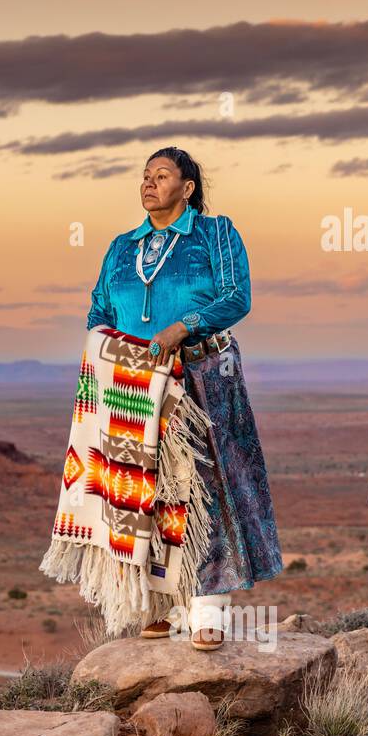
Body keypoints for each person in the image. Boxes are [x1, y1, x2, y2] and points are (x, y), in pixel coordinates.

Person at [86, 146, 283, 650]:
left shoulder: (215, 235)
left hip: (203, 376)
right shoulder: (121, 248)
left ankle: (206, 610)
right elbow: (99, 310)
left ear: (187, 188)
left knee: (204, 486)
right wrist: (107, 353)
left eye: (161, 176)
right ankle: (159, 604)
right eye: (145, 176)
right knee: (144, 488)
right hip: (135, 385)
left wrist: (184, 326)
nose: (148, 184)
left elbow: (237, 297)